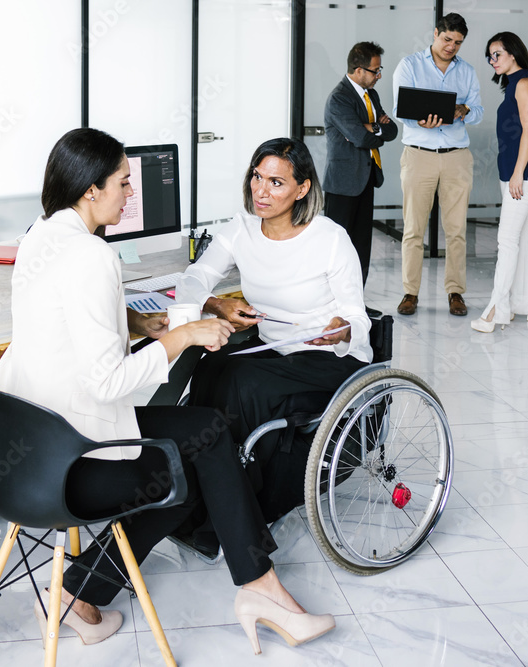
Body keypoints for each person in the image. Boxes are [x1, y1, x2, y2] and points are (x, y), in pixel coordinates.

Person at [0, 128, 335, 655]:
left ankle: (82, 597)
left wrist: (135, 321)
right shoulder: (93, 257)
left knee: (202, 436)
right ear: (90, 191)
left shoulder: (40, 234)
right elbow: (107, 382)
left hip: (21, 437)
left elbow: (66, 313)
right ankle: (256, 590)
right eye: (124, 184)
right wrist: (181, 335)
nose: (131, 195)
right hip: (72, 458)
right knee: (191, 461)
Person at [177, 137, 371, 526]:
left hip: (325, 357)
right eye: (256, 177)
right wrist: (217, 304)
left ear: (303, 189)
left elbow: (358, 319)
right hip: (273, 349)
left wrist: (341, 330)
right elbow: (193, 279)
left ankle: (242, 501)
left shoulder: (330, 239)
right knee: (210, 368)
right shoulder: (241, 229)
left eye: (276, 182)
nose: (261, 191)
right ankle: (201, 486)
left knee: (243, 381)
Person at [390, 13, 483, 317]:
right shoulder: (410, 66)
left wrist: (464, 110)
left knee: (456, 230)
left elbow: (479, 111)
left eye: (457, 42)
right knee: (413, 229)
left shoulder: (466, 71)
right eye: (447, 39)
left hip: (457, 156)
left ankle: (455, 292)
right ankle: (410, 292)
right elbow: (398, 109)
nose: (451, 47)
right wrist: (416, 119)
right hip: (419, 154)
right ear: (435, 33)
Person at [471, 32, 528, 333]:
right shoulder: (517, 85)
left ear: (513, 54)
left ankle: (492, 311)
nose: (493, 61)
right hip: (513, 173)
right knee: (514, 241)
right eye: (489, 56)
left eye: (498, 54)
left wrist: (519, 173)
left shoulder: (526, 83)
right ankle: (509, 308)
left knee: (506, 241)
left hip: (522, 176)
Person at [323, 41, 396, 312]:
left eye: (379, 70)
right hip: (342, 185)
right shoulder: (340, 98)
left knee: (361, 247)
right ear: (357, 69)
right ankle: (330, 306)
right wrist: (370, 130)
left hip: (366, 180)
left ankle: (354, 305)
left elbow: (391, 132)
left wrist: (370, 126)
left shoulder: (371, 96)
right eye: (375, 71)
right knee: (337, 249)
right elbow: (361, 138)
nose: (379, 75)